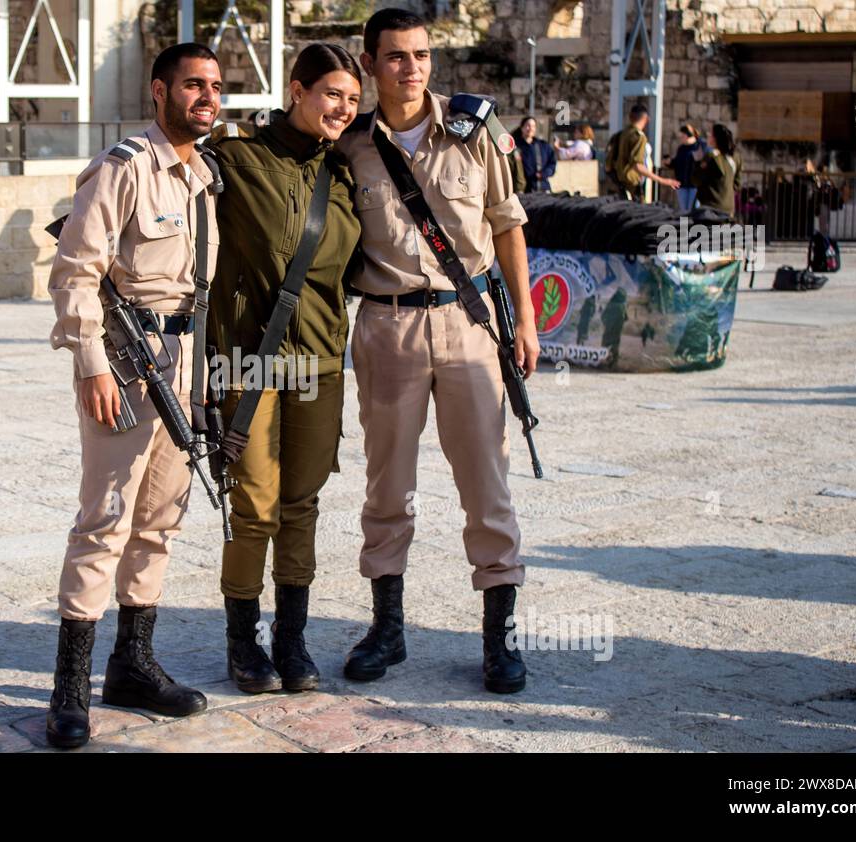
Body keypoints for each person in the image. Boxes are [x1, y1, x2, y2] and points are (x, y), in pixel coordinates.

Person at [335, 8, 540, 694]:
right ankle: (387, 629)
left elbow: (509, 227)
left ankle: (498, 638)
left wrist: (527, 323)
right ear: (370, 64)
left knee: (486, 485)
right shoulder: (353, 143)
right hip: (387, 326)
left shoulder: (475, 129)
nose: (411, 68)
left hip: (469, 324)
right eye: (395, 57)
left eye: (421, 55)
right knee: (387, 484)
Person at [43, 42, 223, 749]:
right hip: (124, 362)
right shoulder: (123, 167)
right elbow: (74, 272)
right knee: (105, 520)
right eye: (192, 85)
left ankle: (133, 664)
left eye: (214, 86)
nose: (206, 96)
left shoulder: (203, 177)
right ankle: (69, 688)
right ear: (159, 91)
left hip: (182, 364)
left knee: (160, 521)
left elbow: (197, 296)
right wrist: (89, 362)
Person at [205, 44, 363, 694]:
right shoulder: (236, 159)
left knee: (302, 505)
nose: (343, 109)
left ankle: (291, 642)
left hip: (322, 360)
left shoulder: (348, 174)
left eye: (353, 100)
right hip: (249, 361)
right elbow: (163, 177)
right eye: (331, 94)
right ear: (297, 90)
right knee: (256, 508)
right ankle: (243, 645)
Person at [609, 103, 678, 201]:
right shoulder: (638, 137)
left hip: (620, 181)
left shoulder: (623, 133)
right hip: (633, 184)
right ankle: (685, 218)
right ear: (646, 119)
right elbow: (637, 165)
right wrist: (662, 180)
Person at [691, 123, 741, 216]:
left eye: (710, 134)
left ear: (715, 138)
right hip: (728, 207)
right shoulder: (736, 157)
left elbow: (696, 180)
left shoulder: (711, 157)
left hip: (712, 207)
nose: (708, 136)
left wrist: (698, 162)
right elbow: (737, 183)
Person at [664, 123, 706, 212]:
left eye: (682, 136)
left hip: (694, 185)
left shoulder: (699, 146)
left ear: (688, 135)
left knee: (693, 210)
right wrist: (670, 162)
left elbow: (701, 163)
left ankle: (694, 226)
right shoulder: (681, 148)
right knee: (683, 210)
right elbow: (678, 163)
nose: (680, 138)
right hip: (682, 184)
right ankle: (684, 226)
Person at [513, 115, 556, 192]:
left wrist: (544, 173)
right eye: (528, 125)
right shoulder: (515, 147)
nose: (530, 128)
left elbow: (552, 163)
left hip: (543, 188)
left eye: (533, 126)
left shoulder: (544, 146)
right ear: (522, 127)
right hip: (523, 191)